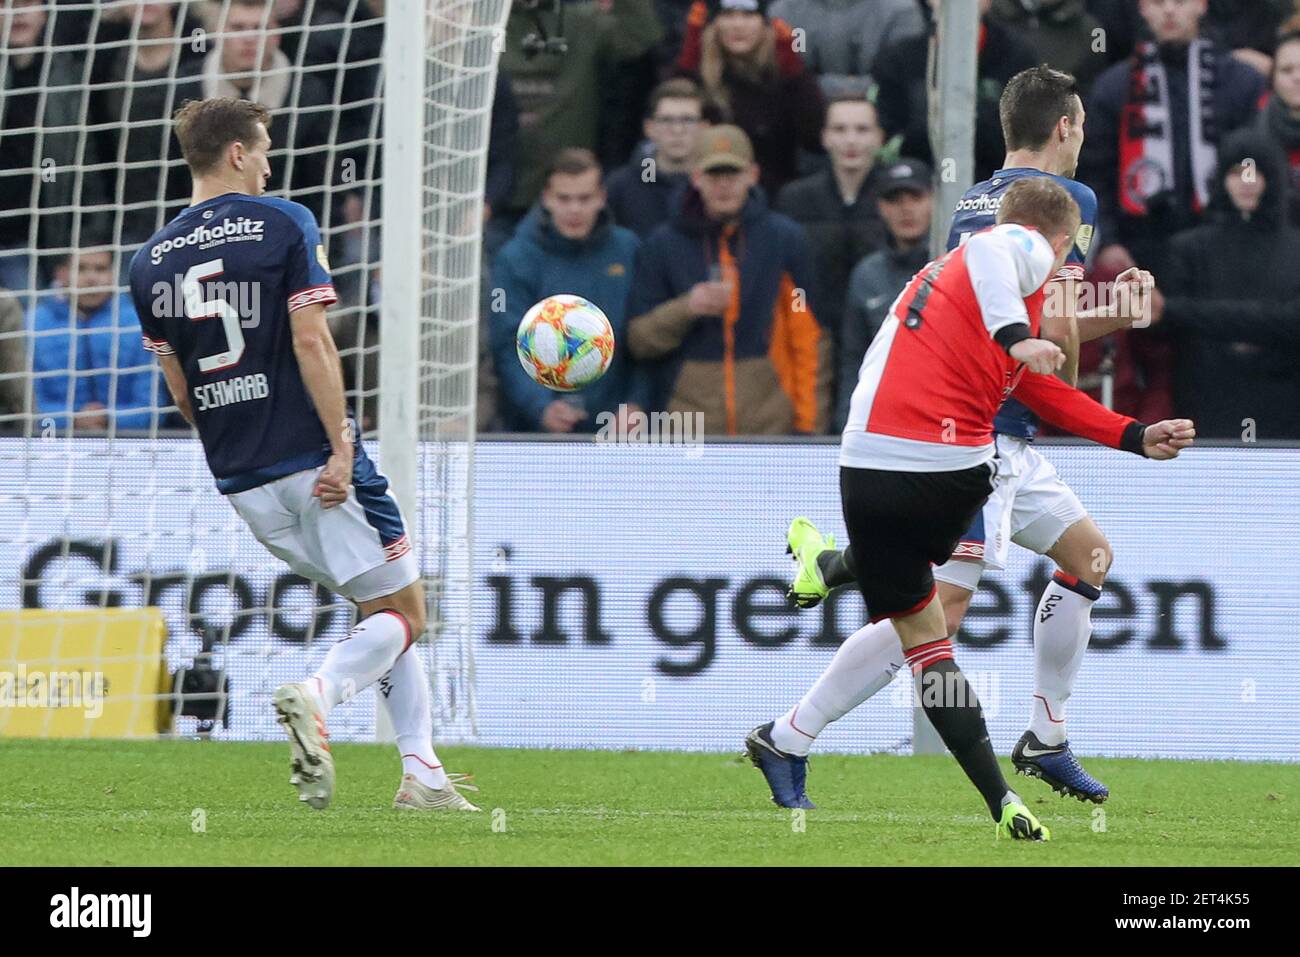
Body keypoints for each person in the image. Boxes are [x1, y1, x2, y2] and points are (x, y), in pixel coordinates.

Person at [755, 67, 1173, 809]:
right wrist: (1126, 311)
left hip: (984, 422)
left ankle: (1046, 735)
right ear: (1068, 127)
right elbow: (1056, 348)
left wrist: (1097, 318)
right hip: (979, 443)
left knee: (1089, 555)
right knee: (933, 614)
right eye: (1080, 128)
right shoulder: (1068, 204)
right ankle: (790, 733)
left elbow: (1010, 325)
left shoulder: (978, 200)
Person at [128, 97, 478, 813]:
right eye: (260, 149)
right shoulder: (284, 222)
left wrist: (237, 443)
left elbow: (182, 389)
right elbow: (312, 340)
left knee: (374, 607)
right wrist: (342, 447)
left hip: (240, 477)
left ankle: (424, 774)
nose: (267, 162)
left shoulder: (148, 260)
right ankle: (316, 695)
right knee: (407, 610)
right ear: (234, 153)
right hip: (314, 461)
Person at [626, 124, 830, 435]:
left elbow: (807, 336)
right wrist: (687, 308)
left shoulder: (784, 239)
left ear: (753, 175)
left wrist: (807, 426)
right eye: (713, 175)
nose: (724, 185)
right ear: (695, 178)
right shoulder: (662, 244)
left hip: (769, 428)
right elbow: (638, 341)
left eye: (732, 175)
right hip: (686, 434)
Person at [1079, 0, 1267, 280]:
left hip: (1223, 245)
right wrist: (1108, 241)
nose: (1168, 10)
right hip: (1137, 250)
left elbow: (1257, 164)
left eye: (1179, 1)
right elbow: (1095, 174)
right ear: (1142, 8)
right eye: (1157, 2)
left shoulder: (1242, 82)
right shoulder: (1113, 87)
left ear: (1202, 5)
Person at [490, 148, 649, 433]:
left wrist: (636, 402)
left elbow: (644, 336)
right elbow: (507, 345)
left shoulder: (629, 249)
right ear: (546, 198)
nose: (574, 209)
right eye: (564, 198)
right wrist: (541, 407)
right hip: (535, 431)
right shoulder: (514, 259)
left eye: (584, 198)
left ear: (602, 197)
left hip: (617, 426)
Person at [1158, 128, 1300, 438]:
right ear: (1222, 178)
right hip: (1206, 402)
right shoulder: (1190, 248)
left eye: (1256, 172)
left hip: (1284, 410)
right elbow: (1160, 323)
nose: (1247, 183)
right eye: (1237, 172)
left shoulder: (1294, 249)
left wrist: (1185, 312)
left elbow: (1293, 322)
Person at [775, 92, 888, 403]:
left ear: (879, 137)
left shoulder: (898, 198)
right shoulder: (795, 199)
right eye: (840, 129)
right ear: (825, 137)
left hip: (880, 335)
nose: (851, 140)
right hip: (812, 334)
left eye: (862, 130)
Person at [872, 0, 1037, 181]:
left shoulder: (1017, 56)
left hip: (996, 187)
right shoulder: (899, 59)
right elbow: (889, 136)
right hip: (918, 187)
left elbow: (1025, 136)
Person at [674, 0, 825, 197]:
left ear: (765, 23)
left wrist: (794, 73)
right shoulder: (700, 77)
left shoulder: (783, 78)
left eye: (748, 15)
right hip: (705, 196)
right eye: (728, 15)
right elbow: (671, 120)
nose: (738, 25)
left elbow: (815, 138)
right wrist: (688, 65)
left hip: (774, 197)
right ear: (714, 24)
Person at [835, 158, 932, 431]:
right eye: (894, 200)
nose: (906, 209)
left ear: (934, 200)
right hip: (882, 421)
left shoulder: (954, 263)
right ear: (881, 208)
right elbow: (853, 358)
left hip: (943, 418)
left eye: (915, 197)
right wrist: (847, 423)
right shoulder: (866, 275)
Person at [28, 244, 160, 433]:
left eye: (100, 269)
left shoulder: (140, 323)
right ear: (61, 274)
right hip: (49, 444)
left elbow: (153, 406)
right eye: (80, 268)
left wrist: (108, 418)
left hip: (131, 445)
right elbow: (26, 405)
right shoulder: (31, 325)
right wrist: (73, 419)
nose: (91, 279)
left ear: (114, 274)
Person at [605, 78, 707, 239]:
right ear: (649, 128)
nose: (677, 130)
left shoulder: (715, 185)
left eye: (688, 120)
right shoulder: (620, 187)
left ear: (704, 128)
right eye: (667, 120)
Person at [766, 0, 925, 95]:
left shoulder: (901, 10)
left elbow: (903, 79)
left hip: (882, 123)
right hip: (803, 122)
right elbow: (782, 76)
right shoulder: (784, 10)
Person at [1257, 22, 1300, 227]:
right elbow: (1246, 179)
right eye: (1286, 70)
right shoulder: (1253, 124)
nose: (1297, 77)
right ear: (1273, 78)